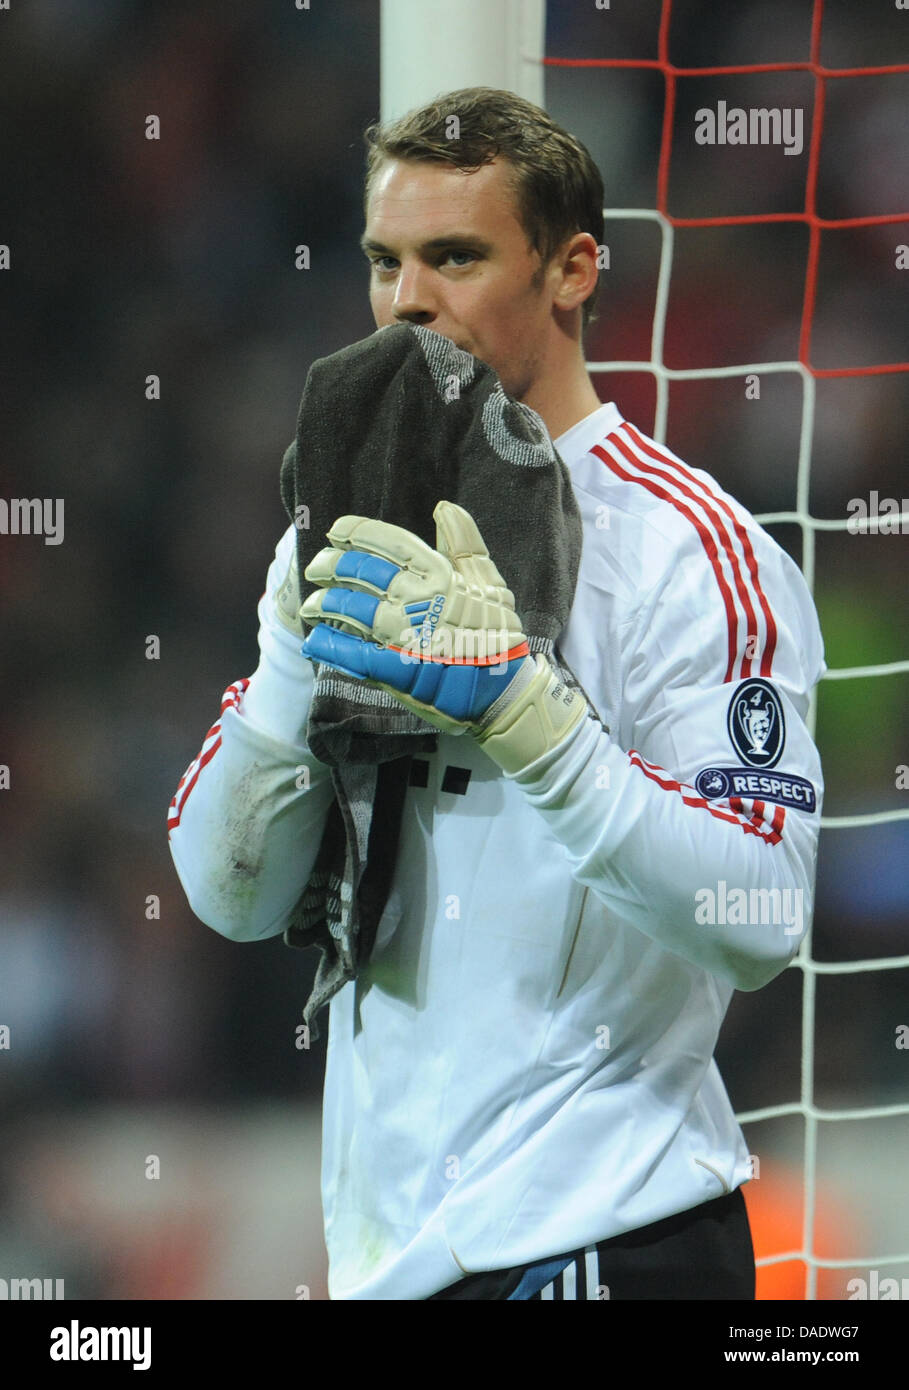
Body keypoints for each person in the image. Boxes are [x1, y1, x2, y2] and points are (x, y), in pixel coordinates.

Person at [168, 88, 825, 1301]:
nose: (408, 299)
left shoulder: (694, 551)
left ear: (574, 268)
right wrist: (296, 660)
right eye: (384, 261)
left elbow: (763, 912)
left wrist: (527, 714)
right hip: (392, 1260)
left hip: (613, 1231)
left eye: (455, 256)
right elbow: (229, 894)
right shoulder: (340, 537)